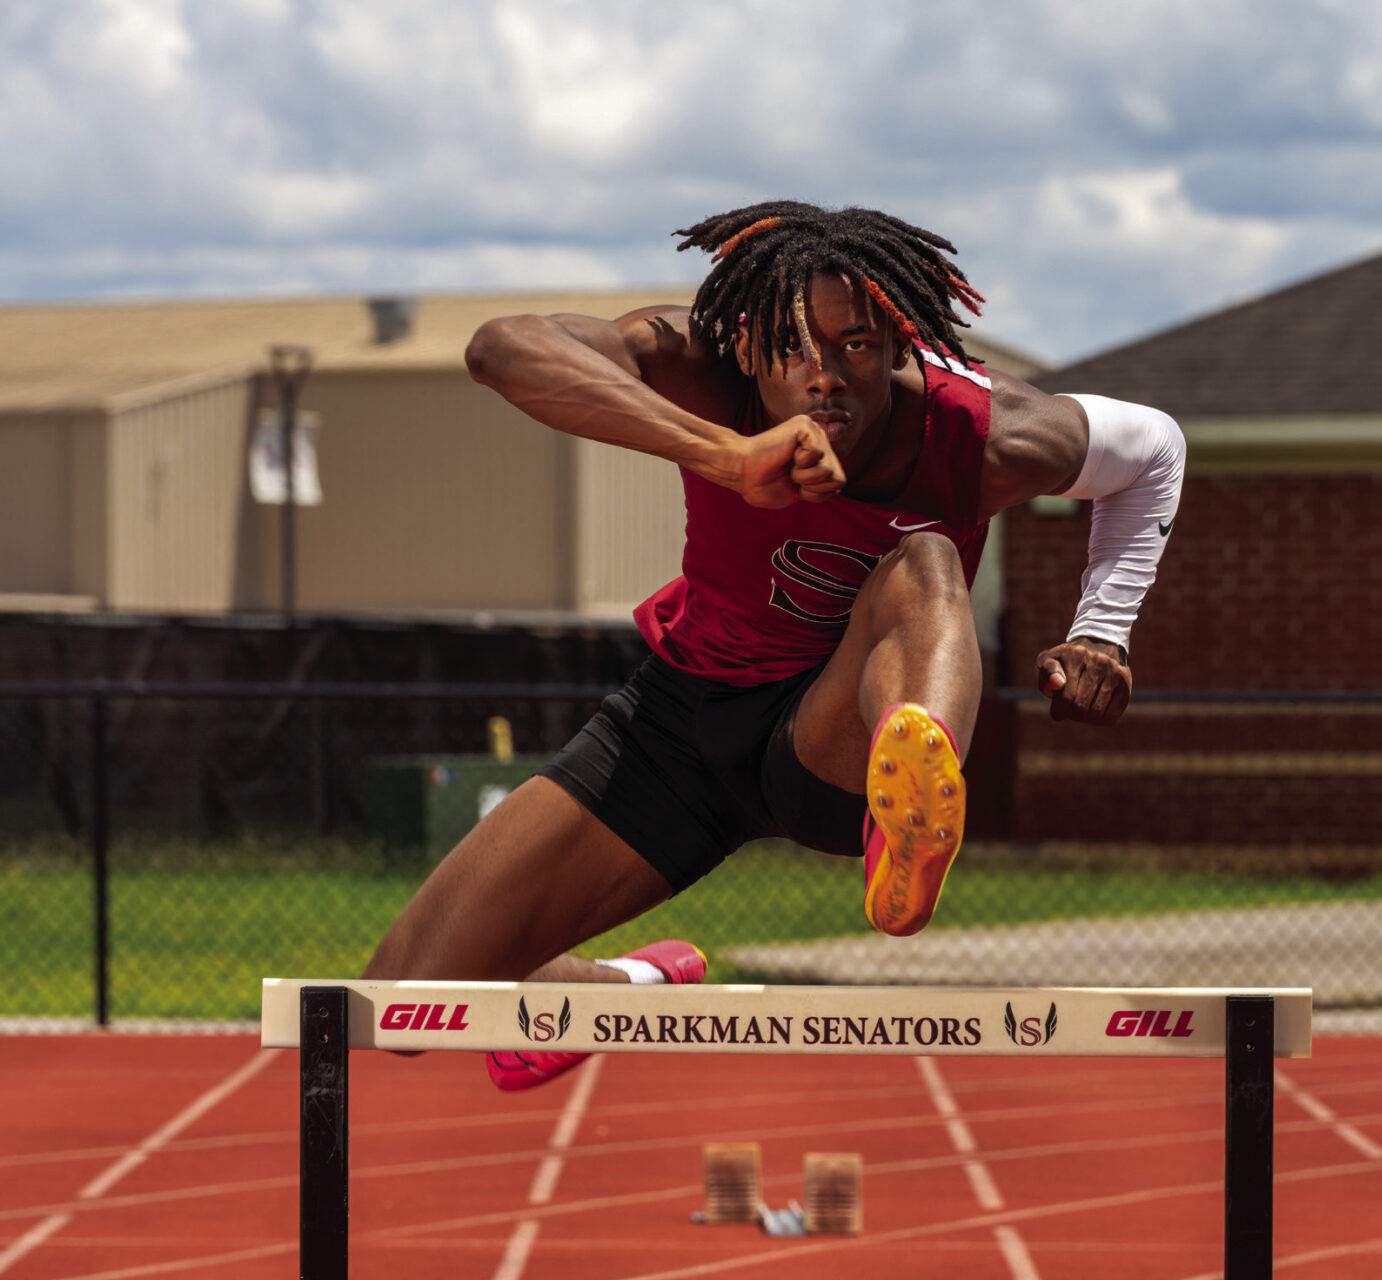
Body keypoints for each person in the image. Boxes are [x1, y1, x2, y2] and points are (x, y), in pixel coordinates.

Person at [365, 201, 1184, 1089]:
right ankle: (620, 986)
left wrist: (1102, 628)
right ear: (751, 350)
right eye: (794, 350)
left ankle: (910, 811)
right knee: (396, 1004)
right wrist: (724, 454)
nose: (823, 377)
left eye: (856, 347)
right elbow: (501, 348)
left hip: (833, 737)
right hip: (680, 724)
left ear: (901, 345)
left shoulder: (981, 433)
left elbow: (1154, 451)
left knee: (925, 560)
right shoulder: (706, 370)